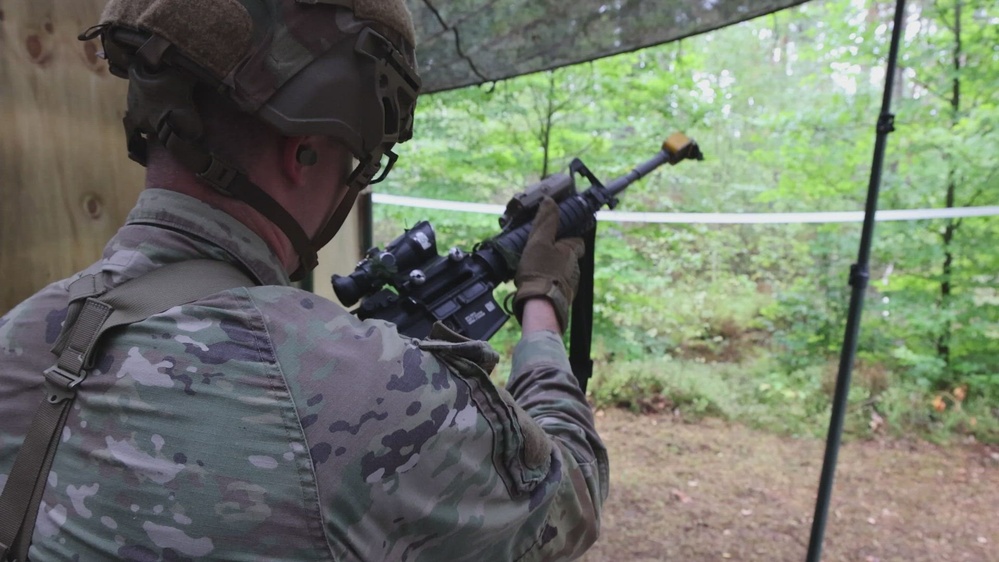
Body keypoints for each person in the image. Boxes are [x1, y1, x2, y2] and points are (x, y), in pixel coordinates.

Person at [0, 0, 608, 560]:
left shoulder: (19, 336)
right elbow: (571, 498)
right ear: (307, 152)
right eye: (355, 164)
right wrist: (541, 302)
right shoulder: (359, 389)